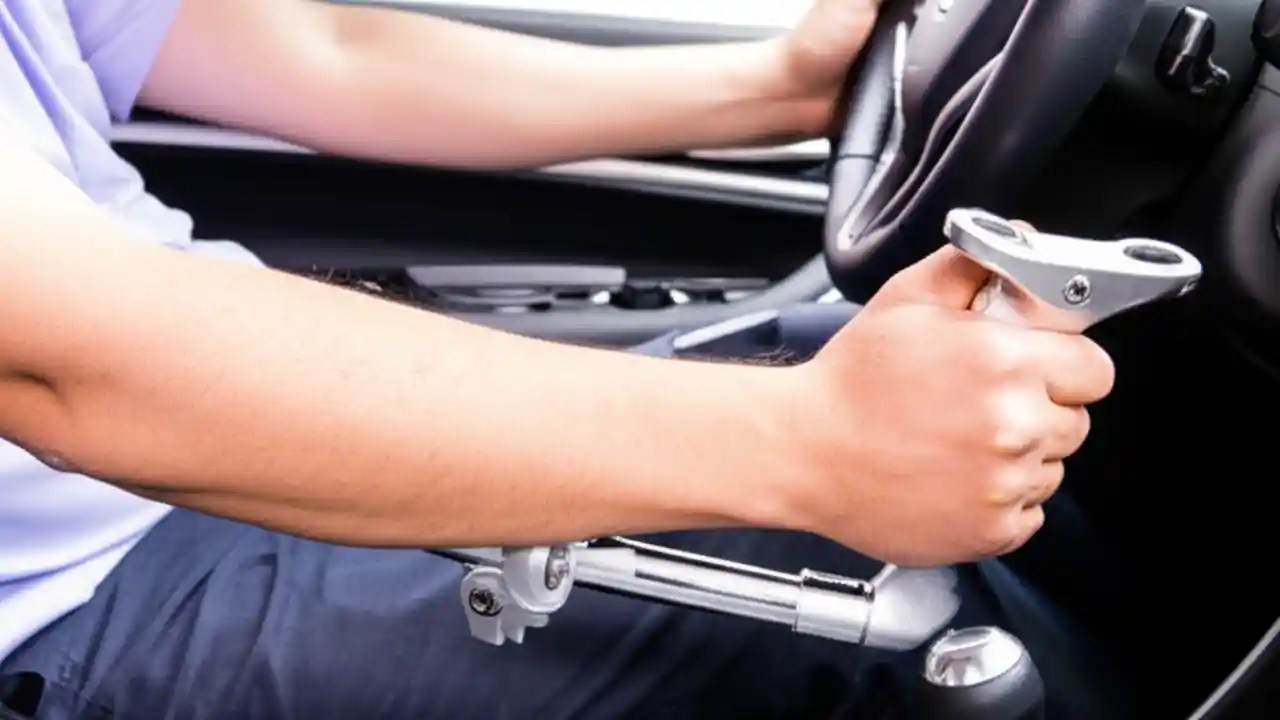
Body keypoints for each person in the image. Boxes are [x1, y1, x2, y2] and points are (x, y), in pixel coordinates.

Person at [0, 0, 1122, 717]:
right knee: (876, 634)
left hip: (173, 481)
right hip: (77, 604)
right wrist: (814, 444)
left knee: (833, 370)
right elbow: (78, 367)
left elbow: (325, 52)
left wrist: (780, 81)